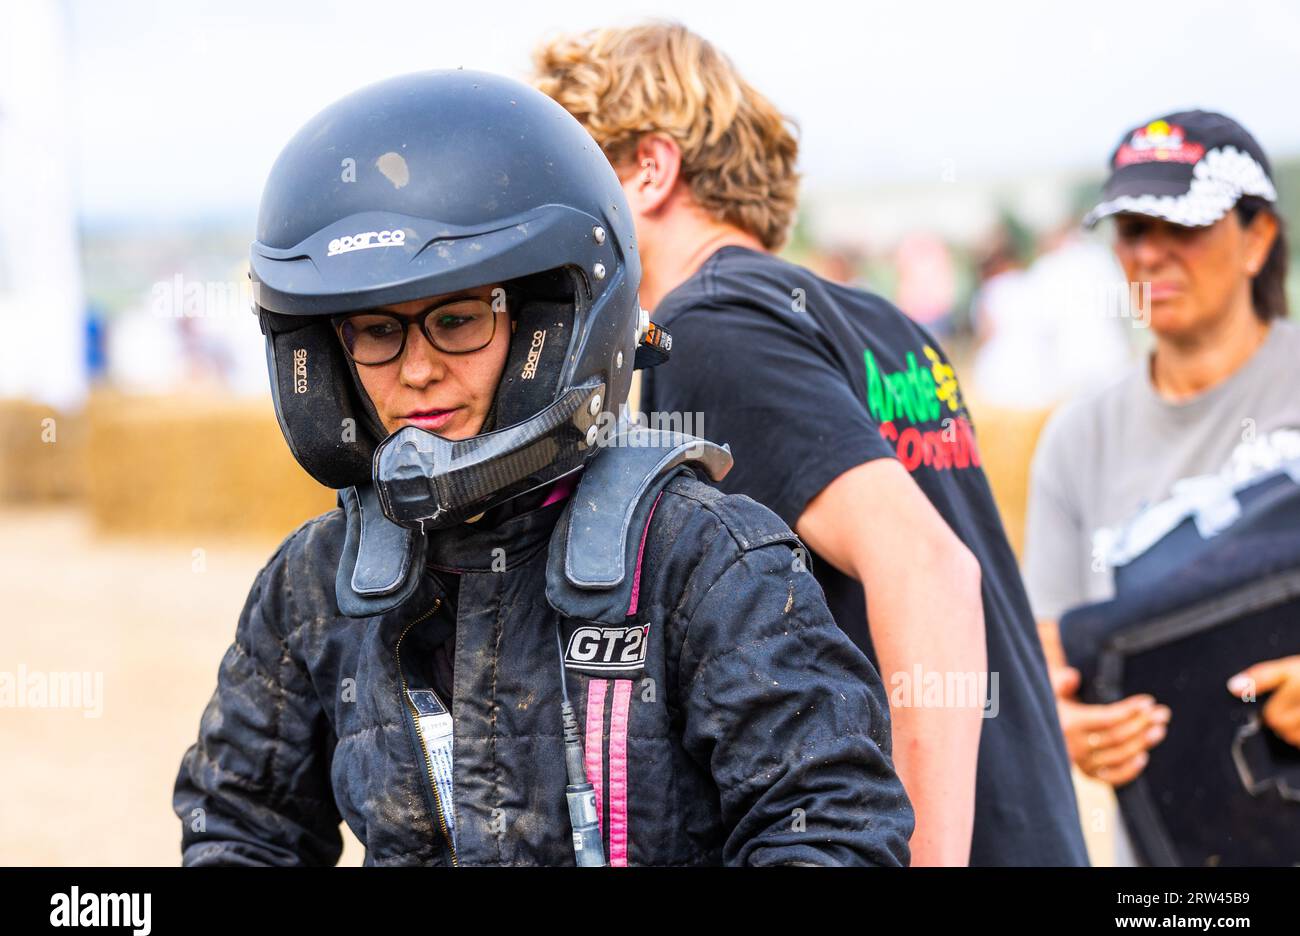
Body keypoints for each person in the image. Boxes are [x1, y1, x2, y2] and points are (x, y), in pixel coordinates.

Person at [171, 69, 914, 867]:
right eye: (377, 332)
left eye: (457, 320)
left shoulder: (703, 563)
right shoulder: (317, 584)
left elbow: (829, 827)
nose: (415, 370)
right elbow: (239, 827)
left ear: (546, 330)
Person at [534, 21, 1087, 866]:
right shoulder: (871, 318)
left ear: (650, 168)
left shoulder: (709, 328)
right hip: (1031, 828)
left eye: (572, 178)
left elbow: (931, 570)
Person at [1023, 109, 1300, 864]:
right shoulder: (1079, 439)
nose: (1151, 253)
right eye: (1133, 230)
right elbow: (1046, 651)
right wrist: (1065, 725)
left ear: (1258, 239)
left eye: (1185, 226)